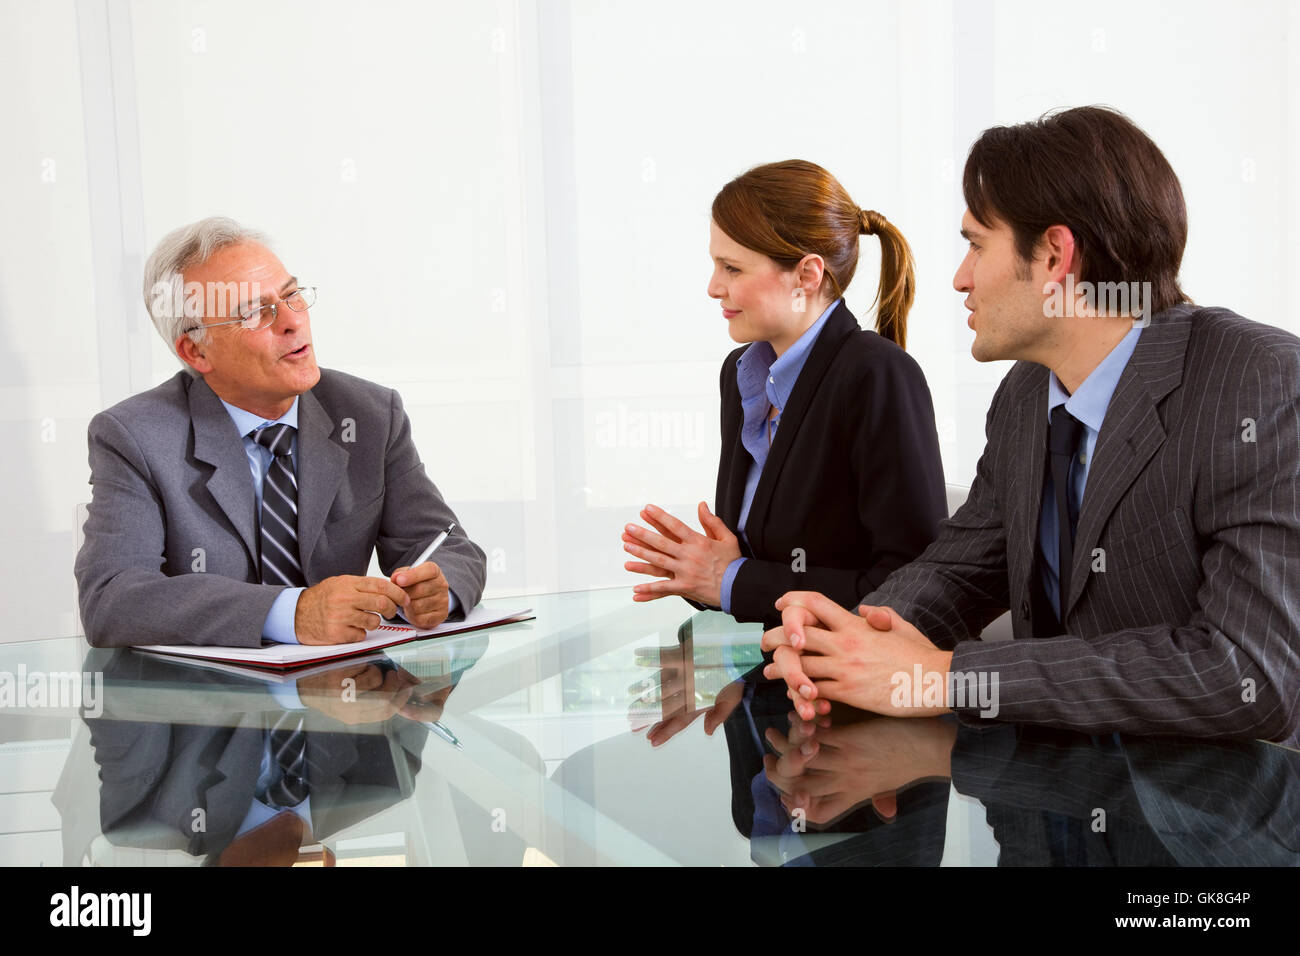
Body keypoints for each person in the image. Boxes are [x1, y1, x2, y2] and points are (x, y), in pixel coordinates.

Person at [763, 107, 1300, 747]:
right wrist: (844, 639)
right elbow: (963, 569)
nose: (960, 279)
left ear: (1053, 256)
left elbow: (1247, 674)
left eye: (975, 245)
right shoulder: (1024, 395)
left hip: (1220, 821)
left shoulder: (1260, 381)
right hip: (1051, 809)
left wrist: (943, 678)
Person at [75, 217, 486, 648]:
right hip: (207, 705)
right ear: (196, 351)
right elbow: (112, 598)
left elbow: (448, 547)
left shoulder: (368, 414)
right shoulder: (135, 436)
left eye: (291, 296)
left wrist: (439, 588)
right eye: (255, 312)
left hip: (345, 700)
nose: (291, 321)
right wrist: (291, 613)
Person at [622, 160, 947, 628]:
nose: (714, 287)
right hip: (776, 668)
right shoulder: (742, 373)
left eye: (731, 267)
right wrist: (699, 572)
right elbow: (751, 564)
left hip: (852, 686)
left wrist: (729, 580)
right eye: (715, 265)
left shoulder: (876, 375)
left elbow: (910, 588)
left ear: (807, 276)